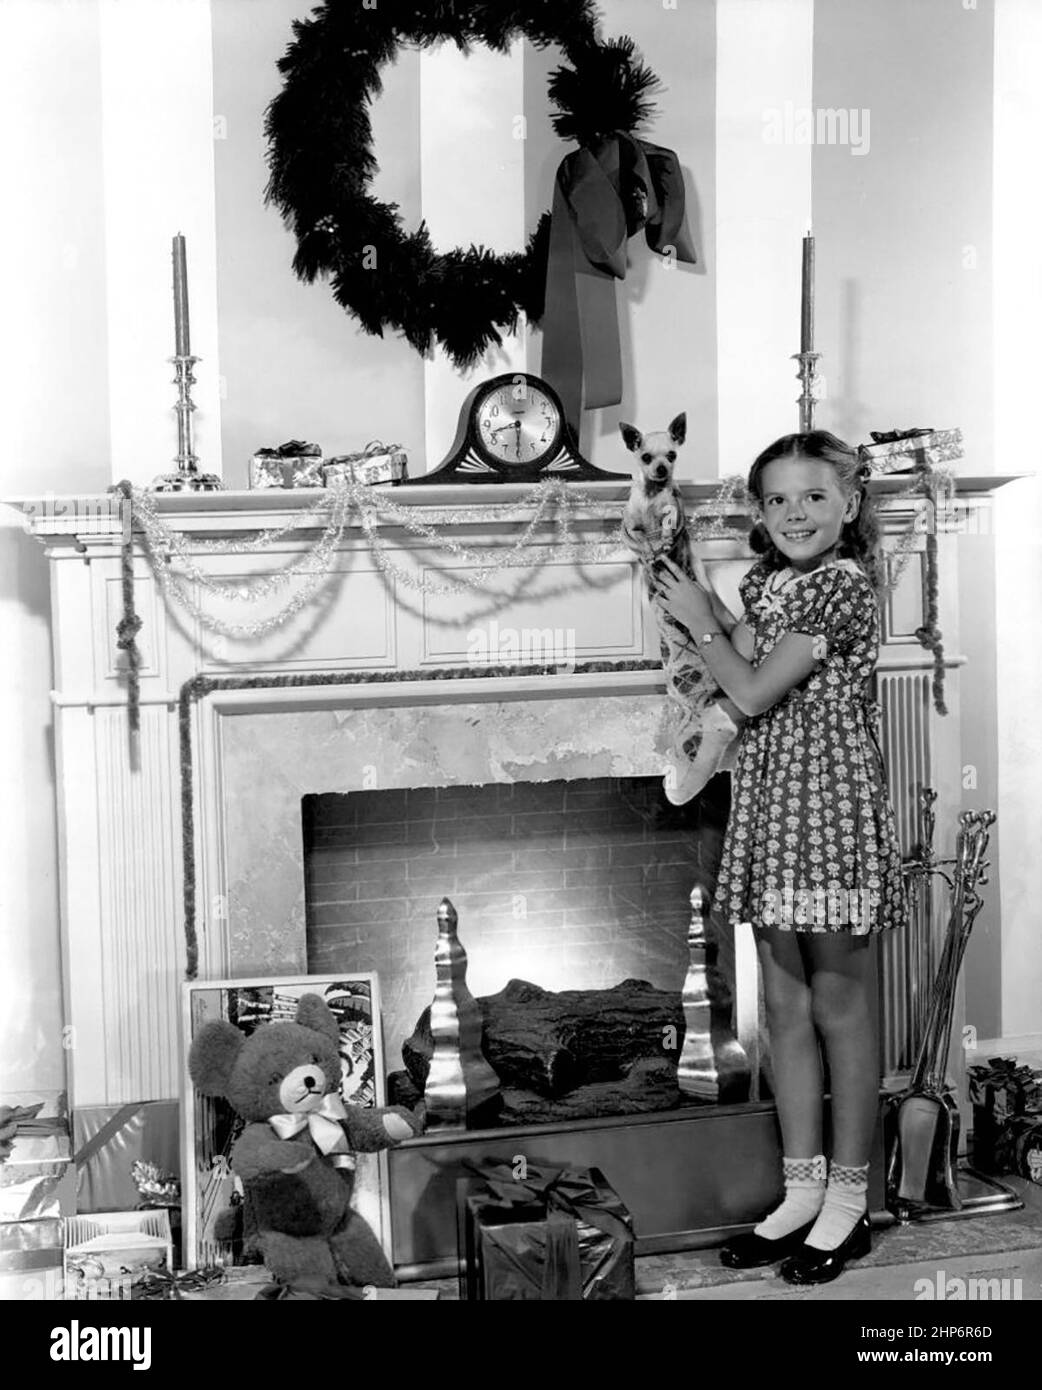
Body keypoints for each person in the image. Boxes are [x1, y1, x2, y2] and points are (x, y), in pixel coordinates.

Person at [654, 429, 907, 1285]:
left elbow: (756, 688)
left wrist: (702, 622)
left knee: (840, 1004)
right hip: (771, 801)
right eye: (775, 499)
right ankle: (800, 1194)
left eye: (812, 496)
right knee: (786, 1006)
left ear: (850, 504)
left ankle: (849, 1204)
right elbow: (750, 661)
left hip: (826, 810)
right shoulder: (770, 584)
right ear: (760, 513)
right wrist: (710, 611)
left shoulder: (840, 588)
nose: (794, 512)